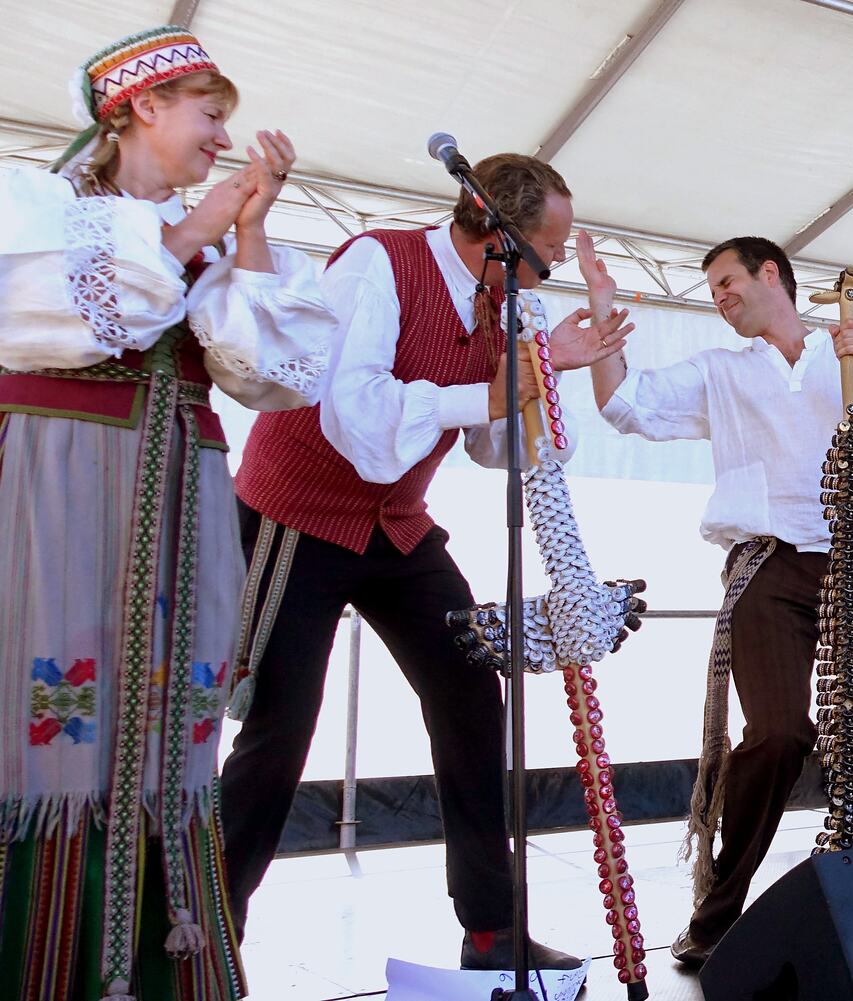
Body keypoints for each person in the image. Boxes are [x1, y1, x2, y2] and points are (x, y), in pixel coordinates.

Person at [221, 153, 630, 970]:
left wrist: (546, 373)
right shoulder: (380, 261)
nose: (547, 271)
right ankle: (208, 930)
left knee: (472, 688)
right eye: (545, 254)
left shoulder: (504, 309)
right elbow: (353, 410)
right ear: (499, 235)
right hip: (296, 515)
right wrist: (491, 389)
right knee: (280, 729)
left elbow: (498, 449)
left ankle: (491, 929)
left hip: (397, 528)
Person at [0, 25, 335, 1000]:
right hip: (56, 485)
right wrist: (195, 231)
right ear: (143, 107)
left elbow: (271, 374)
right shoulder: (40, 207)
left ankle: (158, 969)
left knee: (169, 725)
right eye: (209, 114)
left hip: (183, 485)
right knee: (44, 714)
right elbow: (75, 317)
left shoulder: (202, 235)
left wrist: (251, 230)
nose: (223, 142)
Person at [591, 237, 853, 967]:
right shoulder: (721, 371)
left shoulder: (846, 351)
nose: (719, 297)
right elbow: (624, 406)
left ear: (770, 275)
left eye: (727, 282)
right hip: (768, 559)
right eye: (711, 290)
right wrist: (602, 323)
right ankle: (719, 909)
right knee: (779, 734)